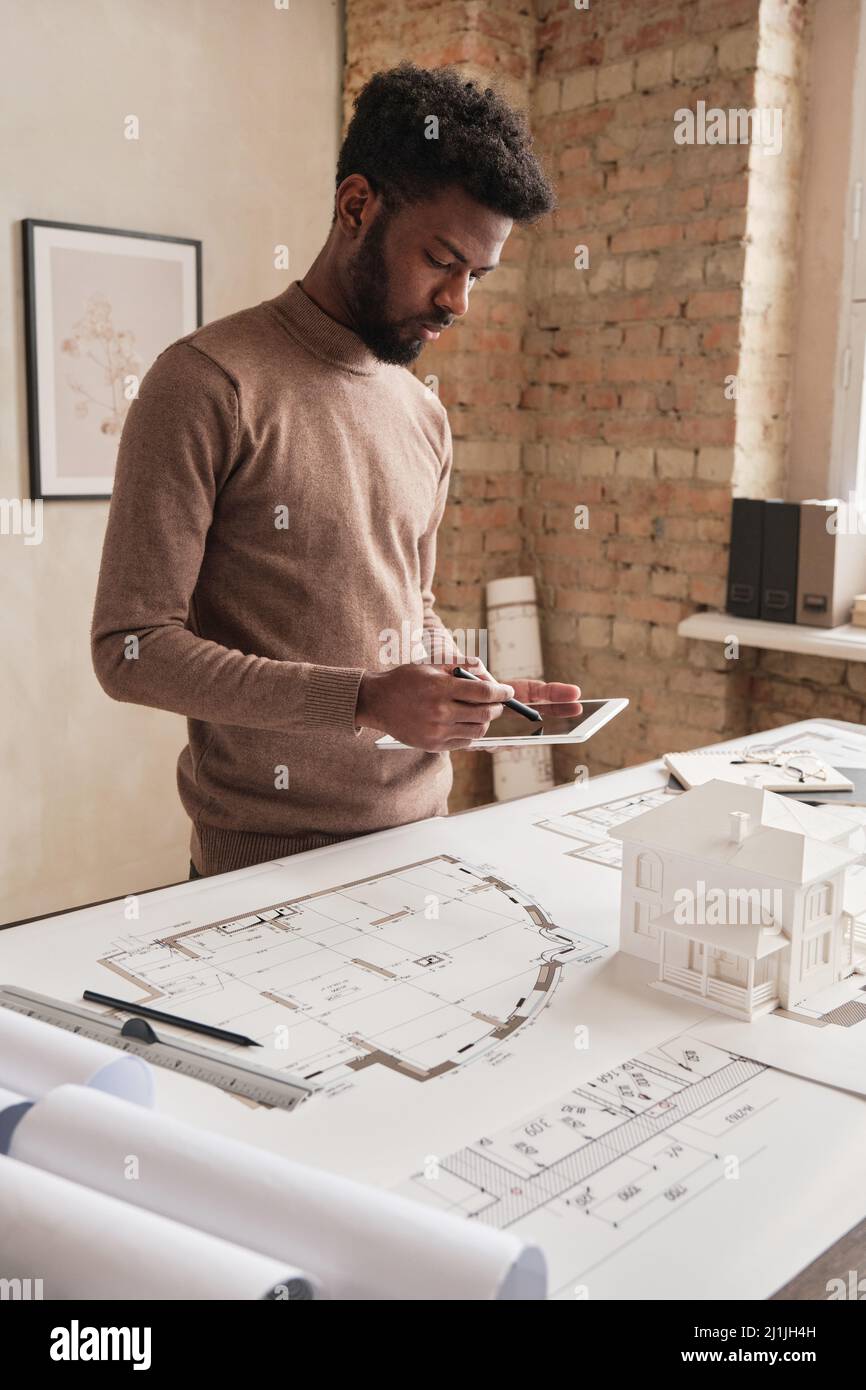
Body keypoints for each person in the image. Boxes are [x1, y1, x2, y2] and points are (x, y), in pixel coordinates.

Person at [91, 63, 581, 880]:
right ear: (357, 206)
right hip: (260, 868)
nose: (458, 301)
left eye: (477, 278)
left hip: (426, 844)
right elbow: (131, 649)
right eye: (442, 260)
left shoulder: (424, 414)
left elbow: (406, 600)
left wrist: (464, 690)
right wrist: (362, 699)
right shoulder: (205, 382)